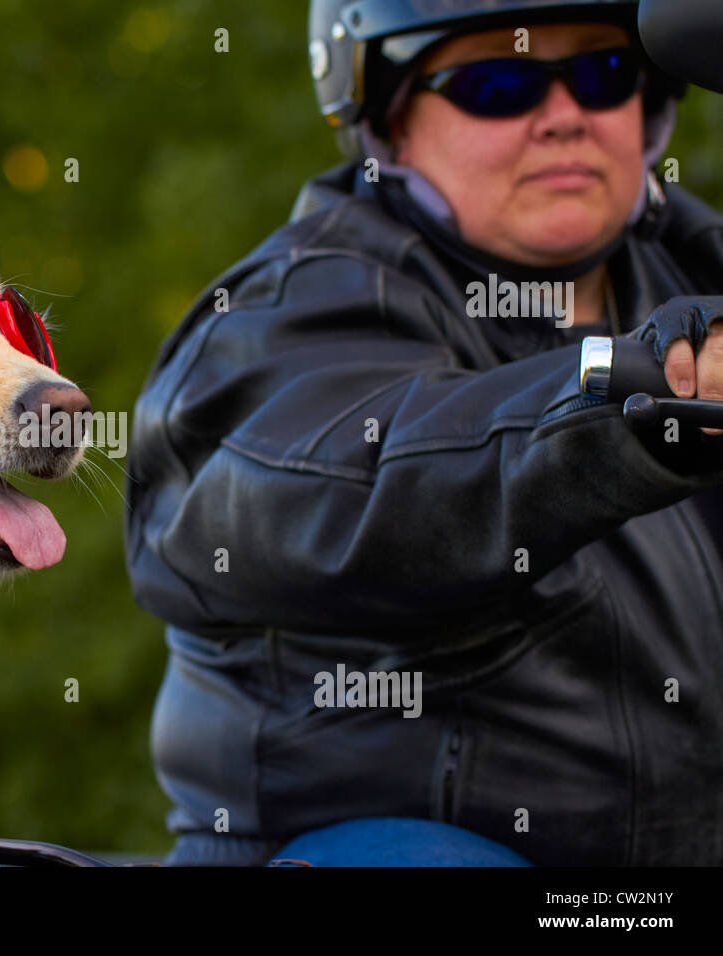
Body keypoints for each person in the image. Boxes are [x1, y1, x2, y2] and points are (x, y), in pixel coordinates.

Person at [125, 0, 723, 867]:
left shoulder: (694, 264)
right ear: (388, 122)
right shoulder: (284, 310)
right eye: (498, 84)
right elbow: (365, 484)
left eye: (603, 74)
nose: (564, 118)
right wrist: (638, 391)